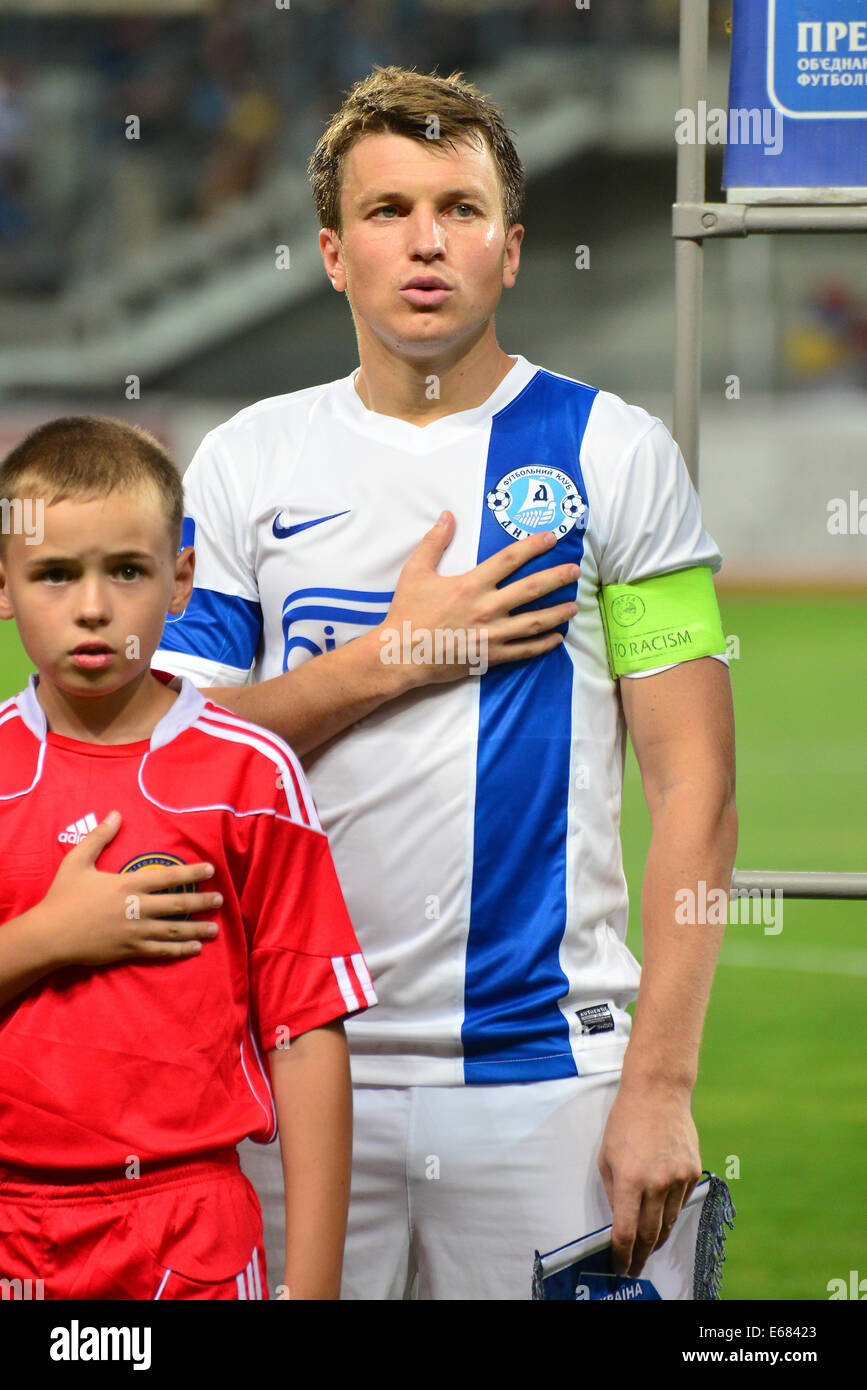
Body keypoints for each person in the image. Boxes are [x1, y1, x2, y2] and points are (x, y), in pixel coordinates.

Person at [153, 65, 738, 1300]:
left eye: (461, 209)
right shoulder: (247, 460)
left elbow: (697, 789)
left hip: (548, 1079)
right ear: (331, 252)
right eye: (388, 211)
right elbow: (172, 762)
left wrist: (662, 1086)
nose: (427, 242)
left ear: (512, 249)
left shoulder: (614, 451)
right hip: (295, 1069)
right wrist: (395, 653)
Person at [0, 414, 373, 1300]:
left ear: (181, 581)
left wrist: (312, 1289)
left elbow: (306, 1035)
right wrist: (50, 935)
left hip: (188, 1232)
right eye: (54, 574)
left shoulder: (250, 772)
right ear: (4, 584)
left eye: (126, 571)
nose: (92, 608)